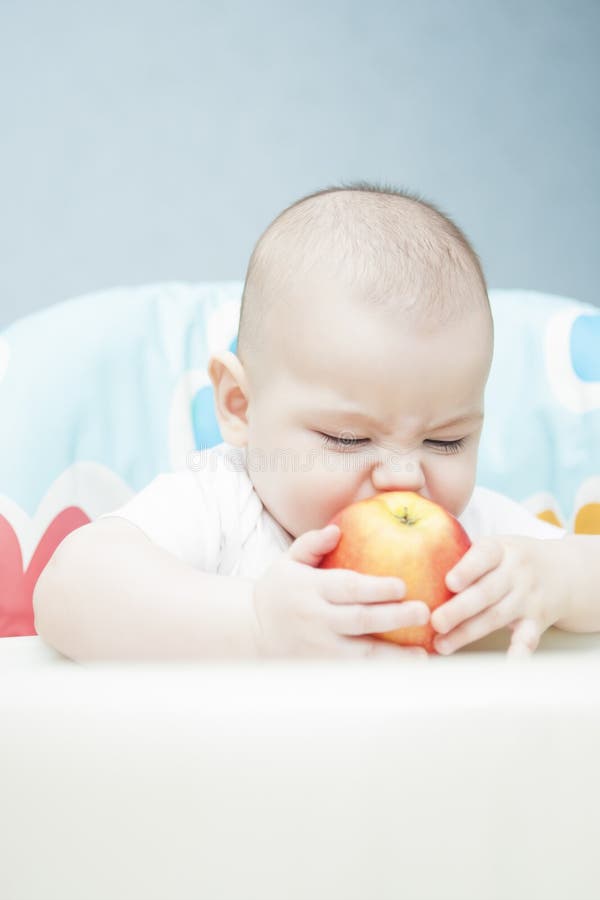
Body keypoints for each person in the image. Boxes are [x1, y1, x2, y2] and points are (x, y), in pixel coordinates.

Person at [33, 182, 600, 661]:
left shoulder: (478, 539)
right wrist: (254, 623)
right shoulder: (221, 507)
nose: (404, 479)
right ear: (240, 406)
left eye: (445, 440)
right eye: (348, 438)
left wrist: (558, 579)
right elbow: (68, 587)